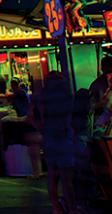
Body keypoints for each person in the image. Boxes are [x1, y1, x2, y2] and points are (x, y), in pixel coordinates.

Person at [36, 70, 79, 214]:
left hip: (48, 137)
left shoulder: (43, 95)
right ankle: (72, 209)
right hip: (62, 137)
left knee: (52, 176)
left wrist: (41, 127)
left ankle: (56, 208)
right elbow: (71, 117)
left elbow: (34, 113)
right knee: (67, 178)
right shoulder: (66, 96)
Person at [10, 78, 41, 178]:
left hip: (31, 129)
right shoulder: (31, 107)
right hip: (33, 129)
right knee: (34, 152)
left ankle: (36, 172)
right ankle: (37, 171)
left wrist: (19, 120)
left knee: (33, 151)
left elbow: (29, 118)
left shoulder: (21, 94)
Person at [89, 55, 112, 130]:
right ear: (102, 70)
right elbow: (91, 107)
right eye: (109, 73)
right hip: (103, 124)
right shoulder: (96, 85)